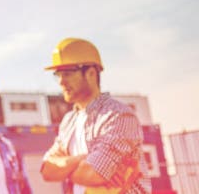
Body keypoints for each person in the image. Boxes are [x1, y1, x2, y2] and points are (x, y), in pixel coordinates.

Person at [40, 38, 150, 193]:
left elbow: (93, 173)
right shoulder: (68, 121)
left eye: (67, 73)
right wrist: (82, 159)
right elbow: (47, 170)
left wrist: (64, 170)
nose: (61, 82)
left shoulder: (118, 115)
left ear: (91, 73)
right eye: (58, 75)